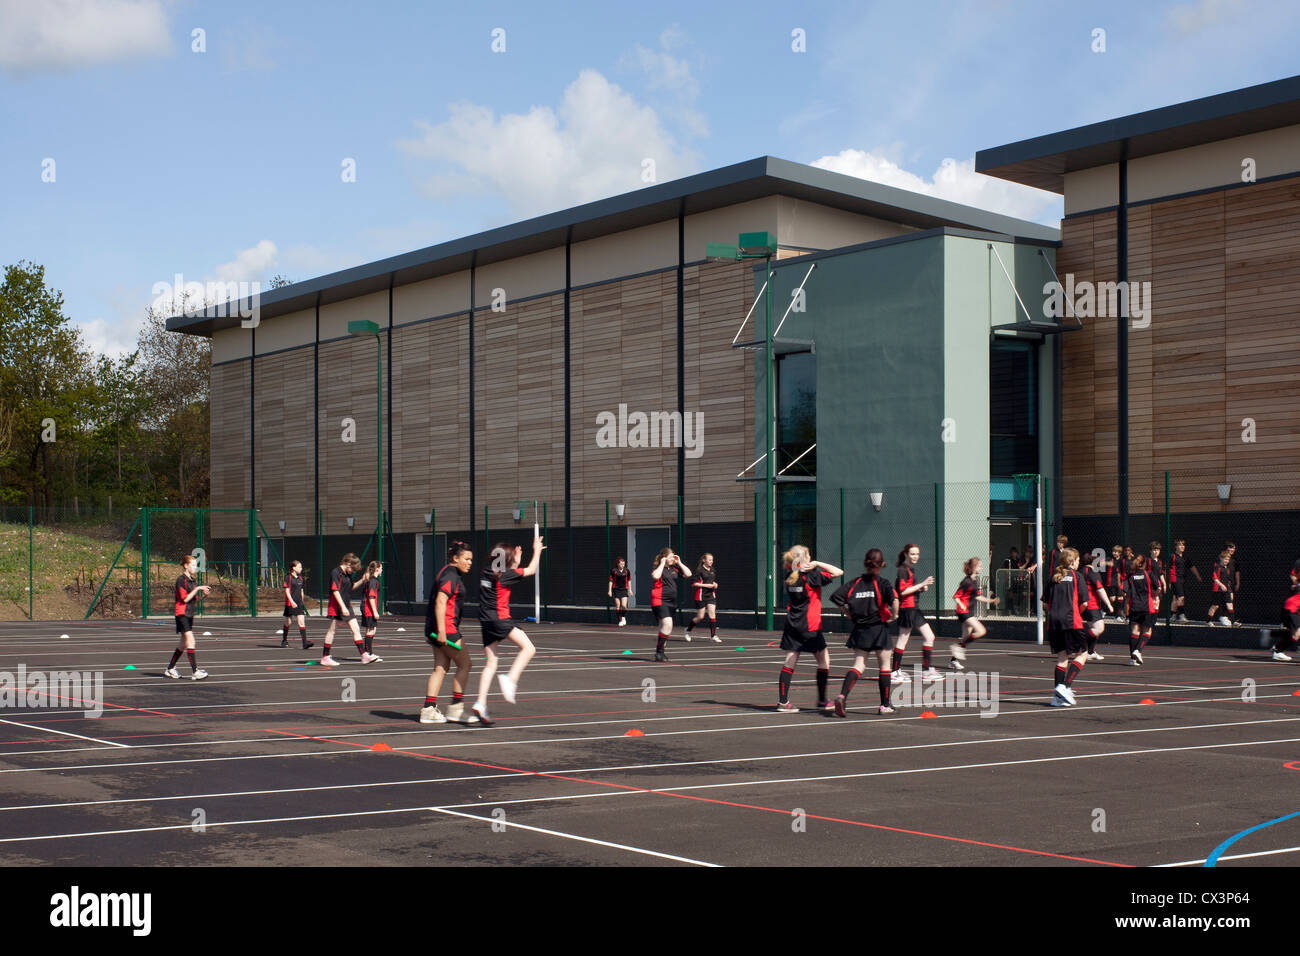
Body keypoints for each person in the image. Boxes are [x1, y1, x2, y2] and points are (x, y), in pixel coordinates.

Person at [473, 533, 544, 725]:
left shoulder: (487, 572)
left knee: (491, 664)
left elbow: (506, 570)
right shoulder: (505, 575)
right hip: (500, 619)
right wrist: (536, 551)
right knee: (529, 648)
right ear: (507, 559)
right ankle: (510, 679)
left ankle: (481, 702)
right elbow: (530, 570)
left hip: (485, 621)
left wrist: (515, 560)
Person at [831, 549, 900, 716]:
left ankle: (842, 696)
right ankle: (885, 705)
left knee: (859, 665)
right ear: (881, 564)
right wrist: (895, 615)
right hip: (878, 628)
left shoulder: (855, 583)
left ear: (865, 564)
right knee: (884, 666)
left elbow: (836, 597)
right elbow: (895, 600)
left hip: (860, 629)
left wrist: (847, 613)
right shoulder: (883, 583)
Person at [776, 546, 843, 712]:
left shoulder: (789, 576)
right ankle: (822, 699)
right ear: (805, 559)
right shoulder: (812, 576)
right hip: (810, 625)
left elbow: (793, 568)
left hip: (792, 623)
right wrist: (818, 563)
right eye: (809, 556)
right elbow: (838, 572)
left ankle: (783, 702)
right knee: (824, 660)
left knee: (790, 659)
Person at [420, 541, 477, 724]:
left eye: (471, 560)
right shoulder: (450, 576)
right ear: (455, 558)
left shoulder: (447, 572)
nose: (469, 563)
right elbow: (440, 602)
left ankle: (428, 710)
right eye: (466, 559)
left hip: (437, 628)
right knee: (465, 664)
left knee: (441, 667)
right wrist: (443, 631)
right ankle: (456, 709)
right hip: (447, 629)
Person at [1043, 549, 1090, 707]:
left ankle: (1057, 697)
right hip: (1071, 621)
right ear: (1072, 561)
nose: (1078, 563)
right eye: (1077, 560)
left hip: (1054, 622)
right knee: (1083, 653)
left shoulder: (1053, 578)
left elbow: (1045, 603)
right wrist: (1077, 612)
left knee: (1062, 658)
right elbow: (1084, 603)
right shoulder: (1077, 577)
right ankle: (1065, 686)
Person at [892, 544, 942, 684]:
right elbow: (902, 592)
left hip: (915, 608)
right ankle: (894, 671)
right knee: (903, 639)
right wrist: (921, 584)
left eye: (917, 554)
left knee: (929, 636)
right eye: (913, 554)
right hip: (907, 609)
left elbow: (910, 589)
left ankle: (926, 670)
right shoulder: (903, 570)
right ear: (906, 554)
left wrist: (920, 589)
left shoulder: (910, 569)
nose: (915, 557)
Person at [321, 553, 377, 666]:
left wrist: (362, 580)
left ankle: (364, 656)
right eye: (352, 569)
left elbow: (351, 587)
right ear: (347, 564)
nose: (353, 572)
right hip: (336, 606)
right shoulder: (336, 573)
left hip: (347, 605)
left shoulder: (347, 574)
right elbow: (335, 591)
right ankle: (325, 657)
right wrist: (342, 606)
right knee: (332, 631)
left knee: (356, 629)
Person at [165, 554, 212, 680]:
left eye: (196, 565)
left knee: (183, 644)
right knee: (191, 641)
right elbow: (185, 599)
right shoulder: (181, 580)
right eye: (192, 565)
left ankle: (170, 668)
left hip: (189, 615)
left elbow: (194, 599)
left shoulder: (192, 580)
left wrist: (204, 595)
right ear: (186, 566)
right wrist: (197, 589)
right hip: (182, 614)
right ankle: (195, 671)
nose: (195, 567)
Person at [950, 557, 998, 671]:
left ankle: (953, 660)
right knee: (981, 631)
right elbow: (956, 596)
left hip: (968, 612)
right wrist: (960, 604)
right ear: (973, 568)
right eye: (980, 566)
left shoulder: (974, 581)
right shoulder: (966, 581)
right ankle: (957, 648)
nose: (982, 567)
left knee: (966, 636)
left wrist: (991, 601)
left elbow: (977, 596)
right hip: (964, 612)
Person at [650, 549, 691, 662]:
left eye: (674, 556)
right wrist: (662, 563)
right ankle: (659, 652)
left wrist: (679, 562)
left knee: (663, 627)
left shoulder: (675, 569)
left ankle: (661, 653)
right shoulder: (659, 568)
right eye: (671, 557)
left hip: (672, 602)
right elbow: (655, 576)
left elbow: (688, 574)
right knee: (668, 625)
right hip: (659, 600)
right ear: (664, 557)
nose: (673, 558)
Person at [1126, 554, 1159, 665]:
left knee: (1134, 632)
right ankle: (1138, 650)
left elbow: (1124, 590)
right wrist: (1155, 596)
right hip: (1146, 607)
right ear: (1144, 564)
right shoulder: (1148, 574)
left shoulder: (1131, 576)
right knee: (1147, 631)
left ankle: (1132, 659)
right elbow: (1157, 587)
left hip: (1134, 606)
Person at [1082, 554, 1115, 661]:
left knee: (1093, 628)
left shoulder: (1082, 571)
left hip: (1085, 604)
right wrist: (1109, 605)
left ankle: (1090, 652)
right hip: (1091, 605)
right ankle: (1078, 642)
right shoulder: (1092, 572)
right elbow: (1100, 589)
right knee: (1099, 628)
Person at [685, 553, 720, 643]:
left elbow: (712, 581)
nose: (711, 561)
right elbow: (694, 583)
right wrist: (706, 585)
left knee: (712, 614)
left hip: (711, 595)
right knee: (700, 616)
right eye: (709, 560)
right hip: (701, 595)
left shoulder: (712, 570)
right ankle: (688, 630)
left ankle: (713, 636)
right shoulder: (699, 570)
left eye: (712, 560)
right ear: (704, 560)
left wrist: (715, 584)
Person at [281, 560, 314, 650]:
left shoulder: (301, 579)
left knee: (301, 622)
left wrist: (302, 602)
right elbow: (287, 591)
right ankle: (284, 640)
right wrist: (291, 602)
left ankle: (304, 643)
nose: (301, 568)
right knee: (288, 622)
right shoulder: (288, 577)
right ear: (293, 568)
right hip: (290, 603)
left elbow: (301, 591)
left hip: (299, 604)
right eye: (299, 567)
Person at [1271, 560, 1300, 662]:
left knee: (1295, 635)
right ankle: (1278, 650)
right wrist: (1295, 583)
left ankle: (1277, 649)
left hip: (1290, 610)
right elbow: (1293, 576)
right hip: (1291, 610)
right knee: (1297, 634)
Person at [359, 562, 384, 663]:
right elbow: (371, 596)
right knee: (370, 630)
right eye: (381, 568)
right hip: (368, 608)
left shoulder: (373, 580)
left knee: (372, 630)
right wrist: (375, 612)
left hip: (368, 608)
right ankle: (367, 654)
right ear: (377, 569)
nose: (382, 570)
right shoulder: (373, 581)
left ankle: (369, 653)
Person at [1206, 551, 1234, 627]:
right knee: (1215, 606)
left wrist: (1229, 589)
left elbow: (1227, 580)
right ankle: (1208, 621)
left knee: (1229, 604)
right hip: (1217, 589)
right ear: (1221, 558)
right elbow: (1214, 578)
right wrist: (1221, 585)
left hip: (1226, 589)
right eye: (1225, 559)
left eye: (1228, 559)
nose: (1227, 561)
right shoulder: (1217, 567)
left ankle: (1233, 621)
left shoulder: (1227, 569)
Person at [608, 557, 632, 627]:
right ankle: (620, 620)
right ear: (618, 564)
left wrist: (630, 590)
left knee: (624, 606)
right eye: (621, 564)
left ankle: (623, 617)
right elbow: (611, 581)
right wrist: (609, 590)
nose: (623, 565)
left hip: (624, 589)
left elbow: (629, 580)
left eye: (623, 564)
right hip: (616, 589)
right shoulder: (614, 571)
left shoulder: (627, 571)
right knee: (618, 606)